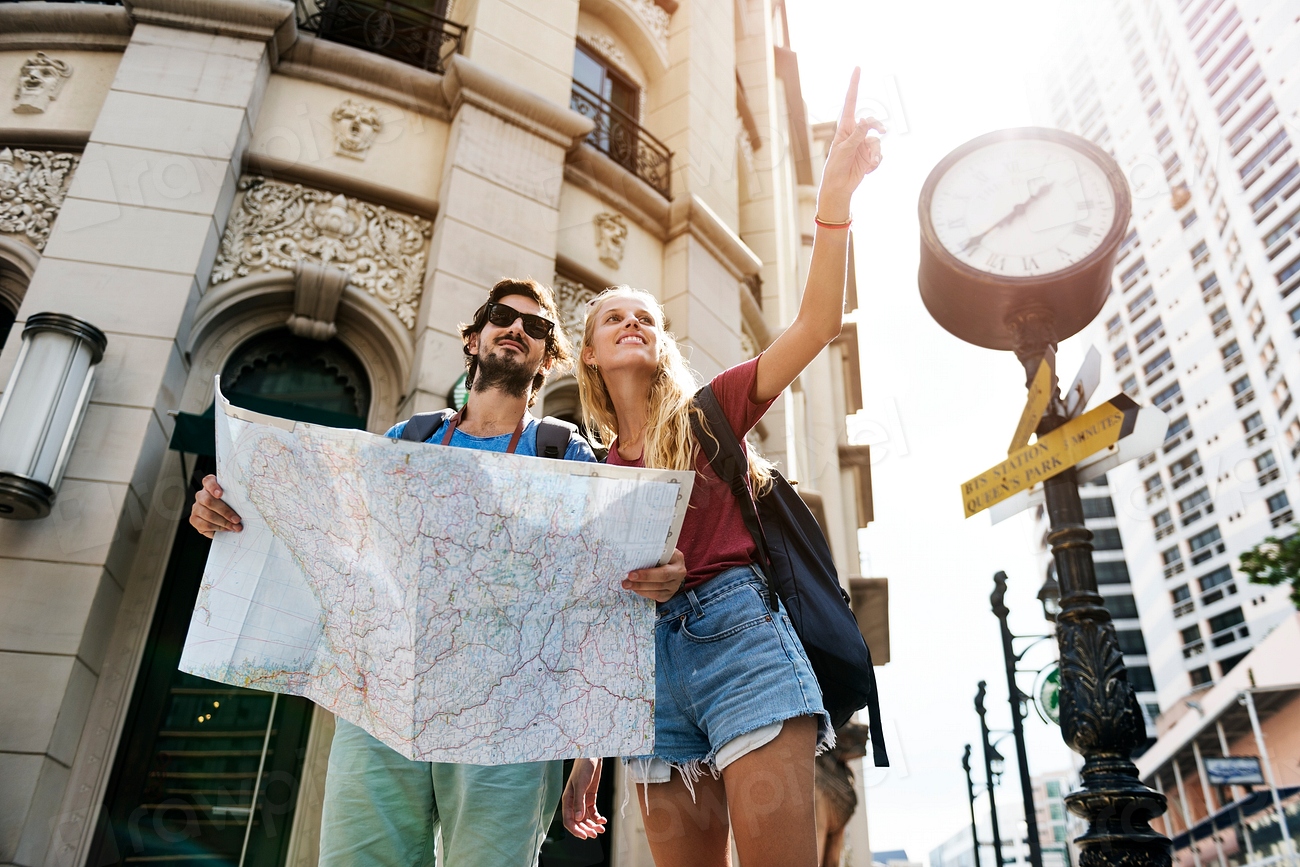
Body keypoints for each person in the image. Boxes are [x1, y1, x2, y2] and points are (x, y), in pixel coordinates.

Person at [190, 278, 687, 867]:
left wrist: (588, 748)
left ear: (550, 359)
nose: (516, 329)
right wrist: (233, 510)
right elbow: (336, 541)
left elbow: (596, 599)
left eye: (536, 327)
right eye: (503, 316)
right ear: (474, 338)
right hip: (383, 704)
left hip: (508, 717)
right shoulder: (408, 439)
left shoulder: (566, 454)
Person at [560, 70, 884, 867]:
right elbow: (597, 617)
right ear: (593, 356)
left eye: (645, 316)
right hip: (651, 676)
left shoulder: (710, 410)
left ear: (657, 343)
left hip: (741, 638)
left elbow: (815, 325)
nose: (631, 322)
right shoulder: (594, 473)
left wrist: (835, 196)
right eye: (612, 318)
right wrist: (586, 752)